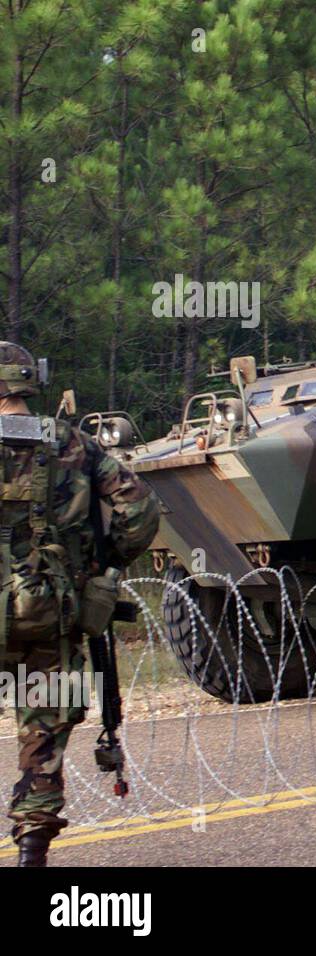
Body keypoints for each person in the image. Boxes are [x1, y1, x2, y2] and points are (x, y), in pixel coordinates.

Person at [0, 342, 160, 866]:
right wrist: (103, 567)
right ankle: (30, 850)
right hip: (53, 609)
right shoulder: (72, 442)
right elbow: (139, 509)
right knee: (43, 727)